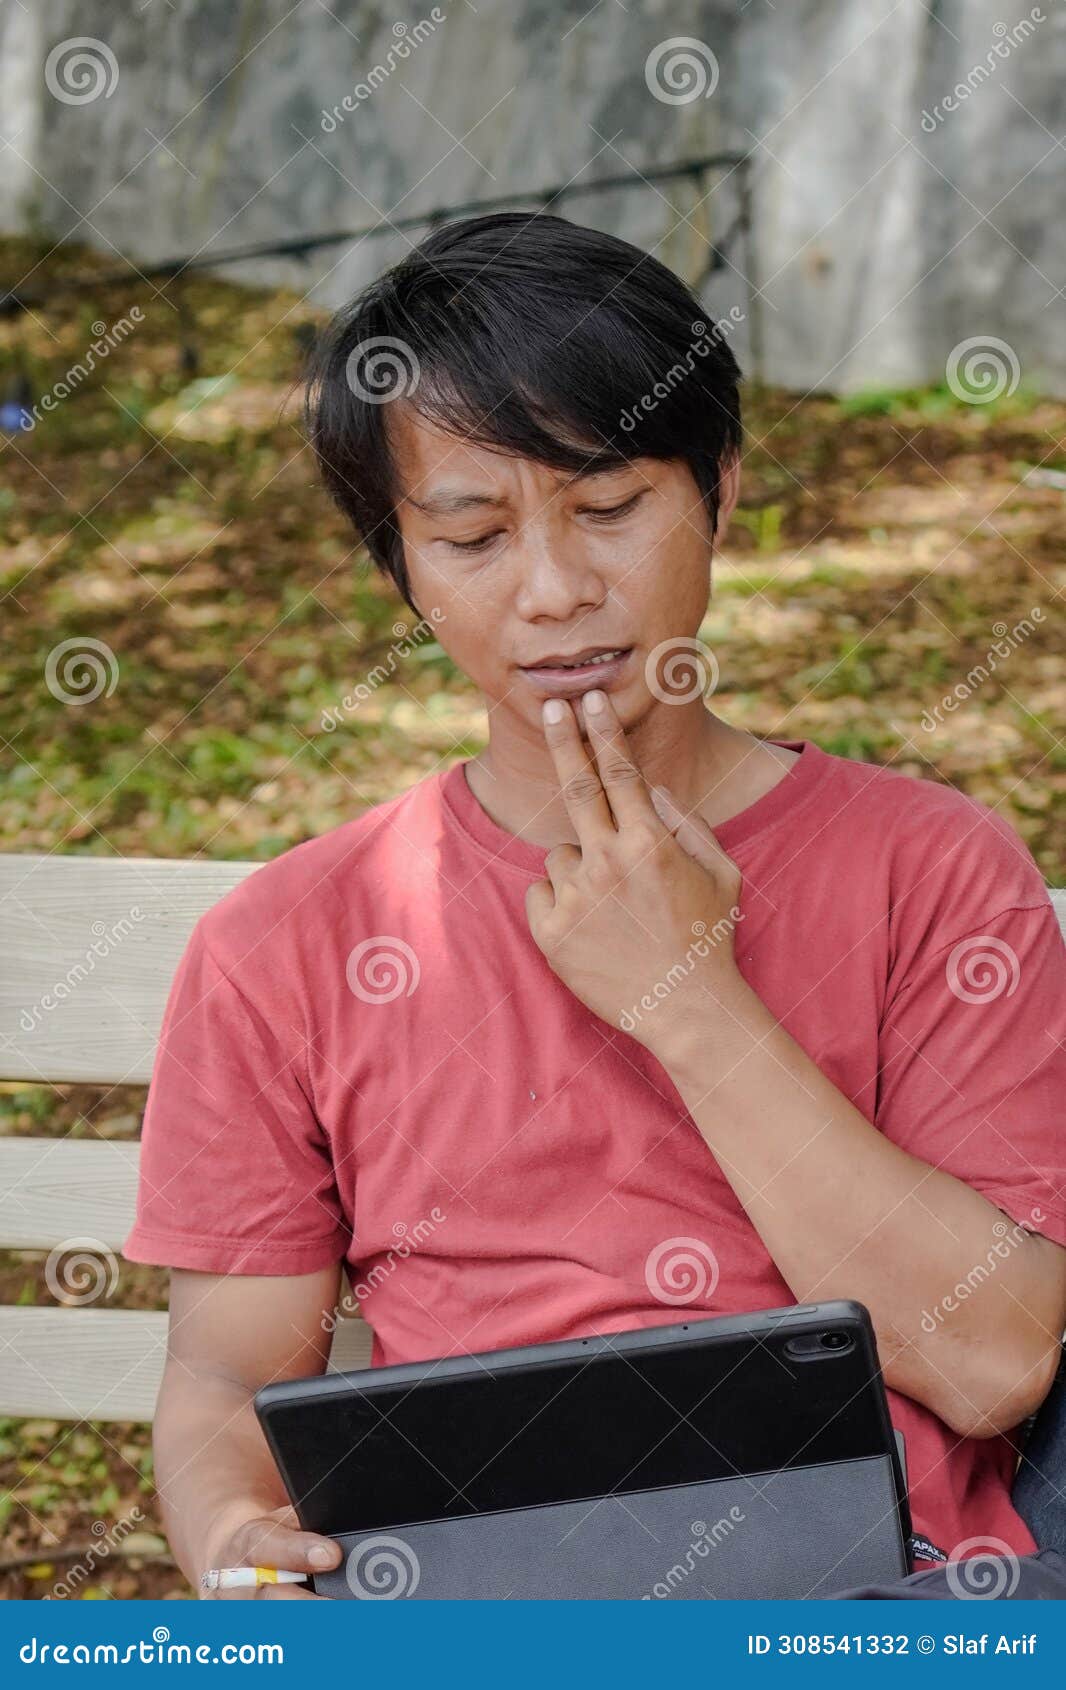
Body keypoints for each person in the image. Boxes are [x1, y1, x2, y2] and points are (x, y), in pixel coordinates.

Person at [122, 212, 1066, 1600]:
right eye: (472, 534)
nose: (556, 591)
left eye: (610, 508)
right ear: (403, 566)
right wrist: (227, 1530)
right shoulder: (288, 942)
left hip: (876, 1607)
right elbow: (222, 1381)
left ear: (719, 490)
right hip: (476, 1610)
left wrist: (690, 999)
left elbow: (990, 1359)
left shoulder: (933, 871)